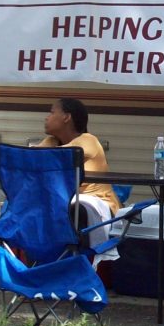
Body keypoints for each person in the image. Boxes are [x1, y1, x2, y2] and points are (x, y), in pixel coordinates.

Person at [33, 97, 122, 253]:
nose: (46, 117)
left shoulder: (89, 141)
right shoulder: (52, 142)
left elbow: (63, 155)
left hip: (97, 206)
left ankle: (80, 261)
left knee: (74, 209)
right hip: (64, 201)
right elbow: (29, 157)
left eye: (52, 112)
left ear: (67, 117)